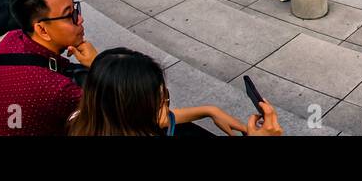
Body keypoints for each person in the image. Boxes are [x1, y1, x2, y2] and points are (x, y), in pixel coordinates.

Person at [0, 0, 99, 137]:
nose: (80, 19)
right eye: (69, 15)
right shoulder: (57, 90)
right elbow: (131, 106)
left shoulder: (13, 38)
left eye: (75, 8)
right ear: (42, 29)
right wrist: (98, 63)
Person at [67, 47, 280, 137]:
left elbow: (160, 119)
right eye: (162, 100)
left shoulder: (85, 121)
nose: (168, 105)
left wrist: (209, 110)